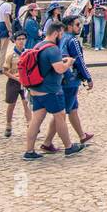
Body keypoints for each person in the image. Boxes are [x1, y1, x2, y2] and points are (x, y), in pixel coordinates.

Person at [21, 22, 80, 160]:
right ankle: (69, 147)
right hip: (51, 90)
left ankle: (29, 151)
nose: (62, 36)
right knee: (60, 117)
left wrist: (61, 61)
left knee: (35, 120)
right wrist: (69, 63)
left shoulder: (38, 45)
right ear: (55, 33)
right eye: (61, 34)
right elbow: (59, 69)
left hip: (36, 89)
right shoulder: (53, 49)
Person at [41, 16, 93, 152]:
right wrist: (88, 77)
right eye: (77, 24)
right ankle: (48, 143)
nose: (79, 27)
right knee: (61, 113)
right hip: (70, 79)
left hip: (62, 78)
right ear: (69, 26)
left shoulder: (60, 39)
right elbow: (79, 61)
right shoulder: (72, 40)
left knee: (73, 108)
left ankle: (82, 135)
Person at [0, 32, 31, 138]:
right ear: (15, 41)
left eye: (23, 39)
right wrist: (16, 78)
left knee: (26, 103)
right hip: (13, 82)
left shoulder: (28, 53)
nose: (21, 41)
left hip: (25, 82)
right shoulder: (10, 55)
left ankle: (30, 124)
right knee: (11, 104)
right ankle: (8, 125)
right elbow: (5, 70)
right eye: (19, 39)